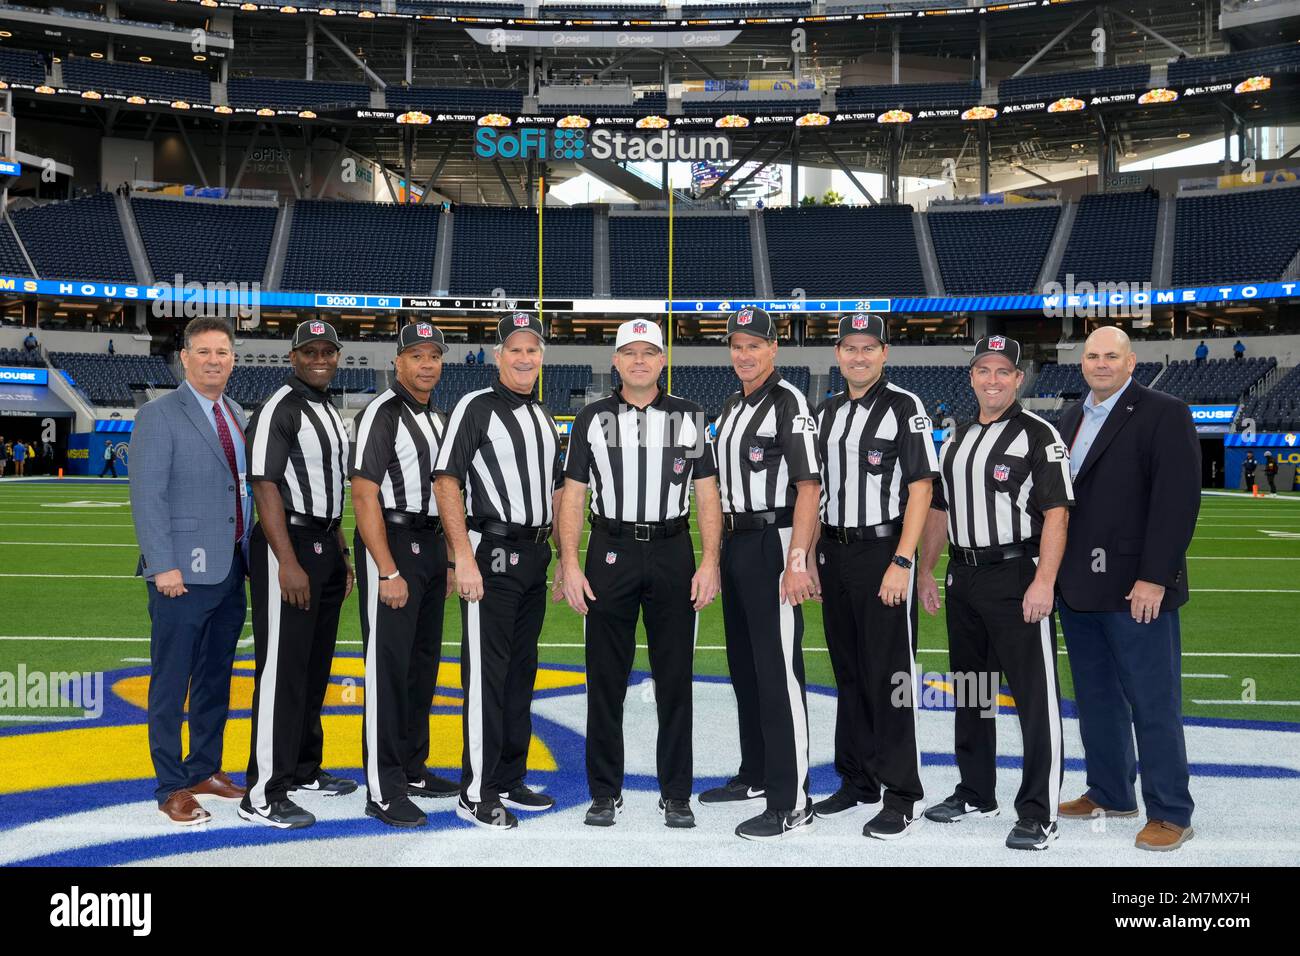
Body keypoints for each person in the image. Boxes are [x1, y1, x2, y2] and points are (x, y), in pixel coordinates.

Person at [557, 318, 722, 829]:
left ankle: (676, 793)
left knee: (675, 681)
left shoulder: (691, 418)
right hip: (610, 549)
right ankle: (605, 792)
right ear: (616, 362)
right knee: (605, 680)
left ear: (663, 360)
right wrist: (567, 562)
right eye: (629, 353)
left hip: (673, 550)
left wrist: (710, 561)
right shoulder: (591, 419)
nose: (639, 361)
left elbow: (708, 494)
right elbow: (574, 494)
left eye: (649, 352)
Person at [918, 335, 1073, 851]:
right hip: (964, 577)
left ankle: (1039, 810)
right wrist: (925, 570)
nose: (992, 379)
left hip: (1015, 574)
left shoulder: (1039, 434)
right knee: (973, 690)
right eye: (983, 369)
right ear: (971, 377)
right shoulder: (956, 437)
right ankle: (976, 789)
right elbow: (939, 510)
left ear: (1018, 379)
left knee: (1034, 697)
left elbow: (1056, 514)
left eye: (1002, 371)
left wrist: (1044, 582)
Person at [1055, 326, 1200, 851]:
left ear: (1131, 361)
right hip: (1078, 585)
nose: (1100, 364)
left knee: (1152, 701)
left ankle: (1170, 811)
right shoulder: (1070, 417)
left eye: (1110, 356)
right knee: (1096, 698)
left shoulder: (1164, 412)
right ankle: (1111, 790)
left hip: (1137, 587)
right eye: (1091, 355)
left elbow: (1177, 502)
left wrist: (1155, 576)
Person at [434, 310, 562, 831]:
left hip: (535, 555)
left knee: (519, 672)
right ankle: (476, 791)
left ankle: (509, 775)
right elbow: (446, 481)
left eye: (532, 349)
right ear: (497, 355)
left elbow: (556, 491)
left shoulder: (544, 415)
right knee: (487, 676)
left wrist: (564, 558)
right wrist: (461, 557)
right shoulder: (475, 406)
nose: (524, 357)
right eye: (515, 349)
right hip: (492, 552)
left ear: (541, 357)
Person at [811, 313, 938, 839]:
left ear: (884, 353)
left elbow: (922, 489)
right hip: (835, 552)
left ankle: (901, 791)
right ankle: (858, 778)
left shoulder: (905, 407)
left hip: (883, 550)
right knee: (849, 672)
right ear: (837, 354)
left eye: (868, 348)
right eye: (849, 348)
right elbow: (811, 490)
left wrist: (904, 561)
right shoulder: (826, 411)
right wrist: (812, 553)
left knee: (891, 677)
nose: (858, 356)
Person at [698, 306, 821, 841]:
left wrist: (798, 559)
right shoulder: (732, 404)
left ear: (774, 349)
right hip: (737, 541)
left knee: (778, 673)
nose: (744, 354)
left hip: (773, 541)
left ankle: (791, 800)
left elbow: (809, 487)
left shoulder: (788, 401)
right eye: (737, 345)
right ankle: (755, 774)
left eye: (755, 345)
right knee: (746, 669)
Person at [130, 317, 253, 825]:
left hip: (230, 569)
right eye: (203, 352)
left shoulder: (236, 411)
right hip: (181, 574)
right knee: (171, 681)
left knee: (214, 678)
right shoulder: (160, 415)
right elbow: (148, 496)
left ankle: (204, 768)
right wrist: (164, 566)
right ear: (184, 357)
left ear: (232, 358)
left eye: (222, 352)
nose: (214, 360)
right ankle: (170, 785)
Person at [239, 321, 356, 830]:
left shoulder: (328, 407)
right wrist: (287, 560)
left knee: (313, 667)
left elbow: (332, 489)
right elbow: (264, 486)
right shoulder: (278, 408)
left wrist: (342, 550)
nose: (320, 358)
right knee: (281, 670)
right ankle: (263, 791)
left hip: (325, 542)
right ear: (292, 357)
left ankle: (304, 768)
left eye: (327, 351)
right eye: (309, 351)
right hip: (289, 543)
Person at [351, 321, 460, 829]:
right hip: (394, 543)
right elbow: (364, 493)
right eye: (416, 356)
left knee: (422, 666)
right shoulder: (383, 412)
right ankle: (383, 786)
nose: (426, 364)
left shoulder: (437, 417)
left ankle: (413, 768)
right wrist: (386, 567)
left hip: (431, 544)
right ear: (397, 362)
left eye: (434, 356)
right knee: (388, 669)